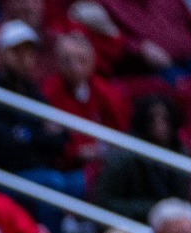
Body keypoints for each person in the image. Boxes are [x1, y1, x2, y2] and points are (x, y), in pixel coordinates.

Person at [0, 21, 84, 233]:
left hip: (35, 168)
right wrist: (36, 135)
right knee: (52, 183)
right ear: (2, 54)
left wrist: (26, 135)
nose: (24, 58)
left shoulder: (32, 91)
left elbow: (60, 139)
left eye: (29, 52)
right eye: (17, 51)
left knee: (80, 181)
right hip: (0, 176)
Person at [92, 94, 191, 226]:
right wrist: (152, 208)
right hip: (129, 225)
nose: (160, 126)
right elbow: (104, 203)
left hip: (169, 224)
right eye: (153, 119)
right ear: (143, 121)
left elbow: (181, 199)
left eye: (165, 119)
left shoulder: (180, 154)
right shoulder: (123, 156)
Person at [40, 32, 127, 169]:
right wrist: (76, 152)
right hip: (64, 165)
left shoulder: (108, 94)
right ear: (57, 62)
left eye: (81, 60)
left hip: (104, 161)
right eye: (67, 60)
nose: (75, 67)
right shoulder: (47, 92)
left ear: (92, 61)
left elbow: (120, 134)